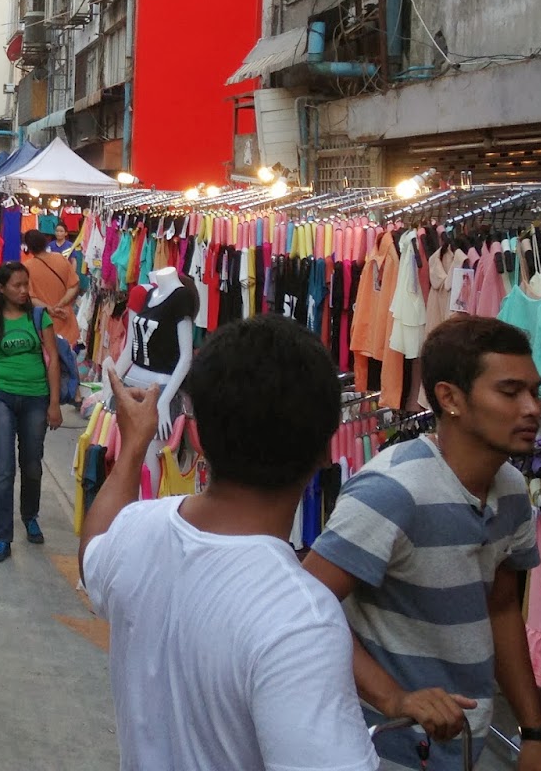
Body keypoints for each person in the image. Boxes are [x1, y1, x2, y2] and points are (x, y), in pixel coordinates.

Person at [79, 316, 376, 771]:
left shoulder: (137, 529)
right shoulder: (301, 619)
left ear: (197, 433)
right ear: (324, 451)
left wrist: (135, 444)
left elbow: (93, 555)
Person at [304, 316, 541, 771]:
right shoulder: (393, 490)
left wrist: (534, 732)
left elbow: (500, 610)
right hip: (384, 744)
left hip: (464, 741)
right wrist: (394, 697)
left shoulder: (512, 490)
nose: (533, 408)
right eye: (510, 392)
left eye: (534, 392)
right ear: (450, 398)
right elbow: (304, 607)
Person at [0, 262, 62, 562]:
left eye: (26, 284)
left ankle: (30, 515)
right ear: (1, 288)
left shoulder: (39, 317)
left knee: (32, 464)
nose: (24, 291)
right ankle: (2, 538)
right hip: (0, 399)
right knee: (3, 471)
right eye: (17, 286)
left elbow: (52, 361)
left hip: (36, 399)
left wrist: (54, 403)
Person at [22, 230, 81, 349]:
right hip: (66, 318)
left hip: (44, 322)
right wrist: (61, 304)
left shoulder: (27, 267)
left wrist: (51, 309)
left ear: (29, 247)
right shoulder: (61, 259)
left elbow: (31, 297)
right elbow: (74, 286)